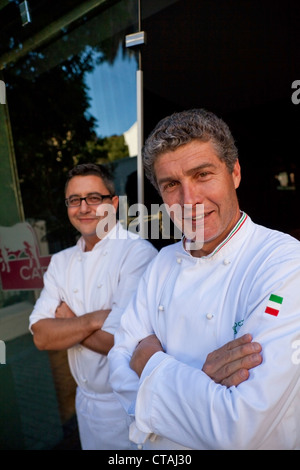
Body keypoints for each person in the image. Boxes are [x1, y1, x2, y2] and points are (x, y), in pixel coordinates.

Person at [108, 109, 300, 450]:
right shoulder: (161, 263)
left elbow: (240, 427)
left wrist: (149, 361)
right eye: (171, 185)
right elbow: (118, 364)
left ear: (235, 172)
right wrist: (201, 381)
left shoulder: (283, 261)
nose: (189, 200)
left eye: (203, 174)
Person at [29, 163, 158, 450]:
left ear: (113, 203)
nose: (84, 207)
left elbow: (120, 344)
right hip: (86, 404)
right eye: (74, 200)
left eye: (94, 198)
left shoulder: (137, 253)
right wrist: (92, 321)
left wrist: (69, 321)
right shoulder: (61, 261)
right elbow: (40, 336)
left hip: (128, 406)